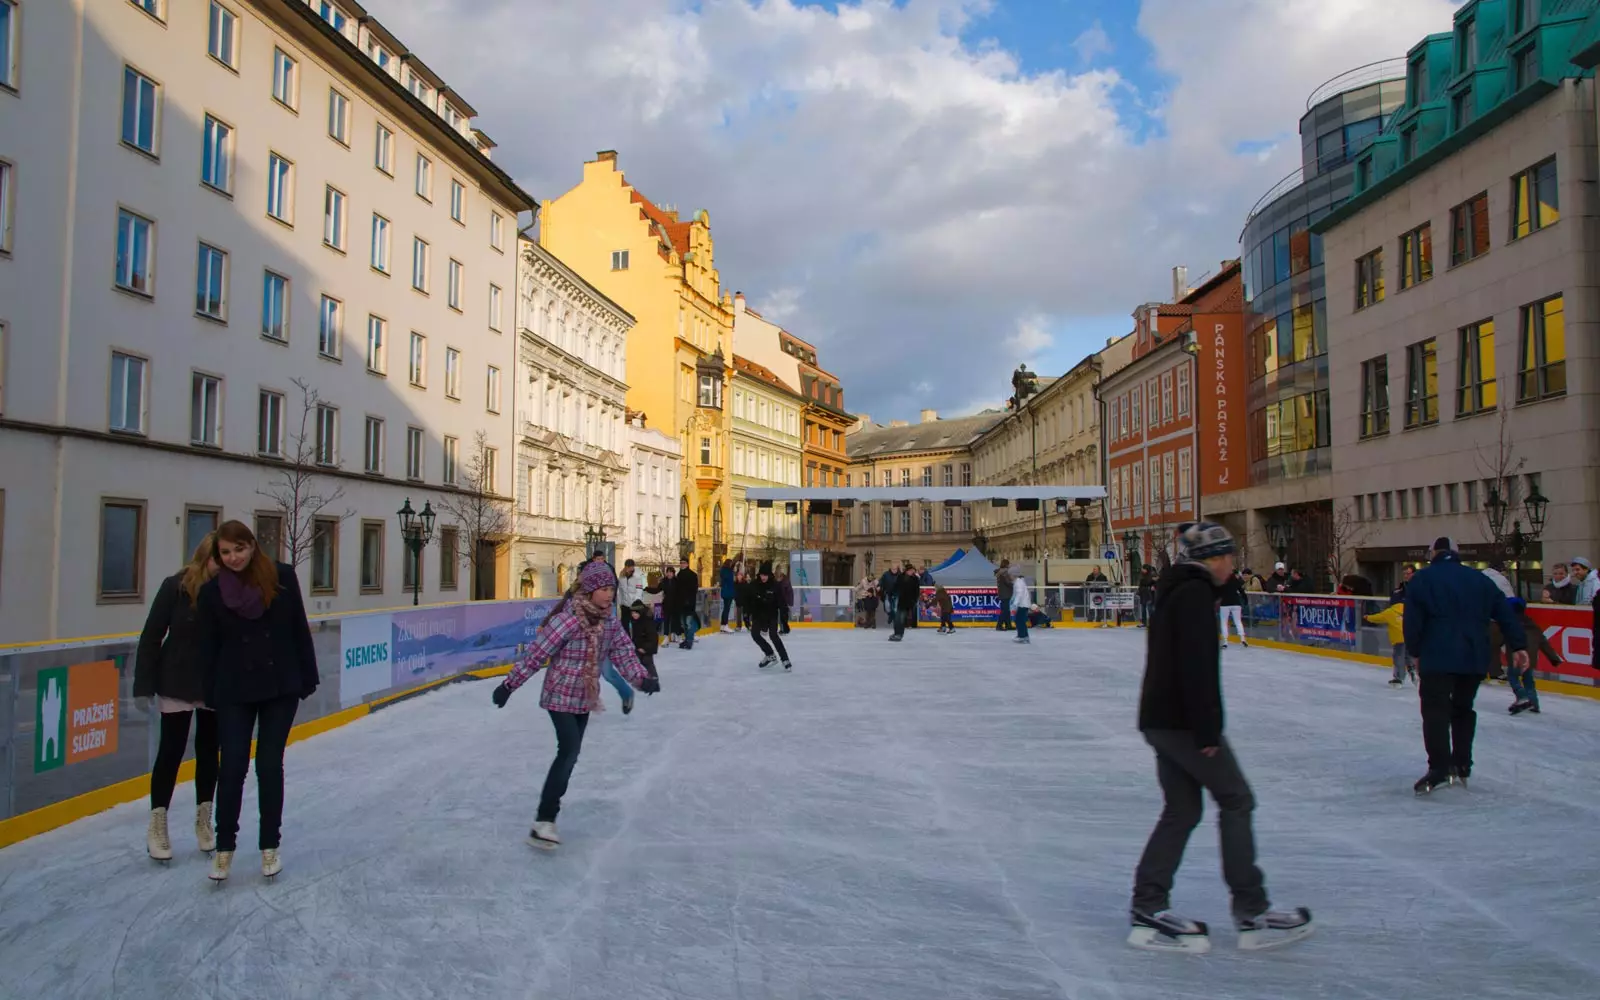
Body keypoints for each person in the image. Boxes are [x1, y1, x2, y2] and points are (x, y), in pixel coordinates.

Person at [1129, 522, 1313, 954]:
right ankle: (1252, 912)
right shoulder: (1193, 594)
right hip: (1183, 723)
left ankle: (1147, 907)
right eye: (1229, 557)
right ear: (1214, 558)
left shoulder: (1177, 589)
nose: (1234, 564)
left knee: (1182, 809)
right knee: (1236, 799)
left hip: (1162, 719)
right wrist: (1207, 728)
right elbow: (1196, 666)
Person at [491, 561, 656, 848]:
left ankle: (546, 819)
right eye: (604, 589)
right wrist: (509, 685)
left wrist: (642, 679)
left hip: (583, 697)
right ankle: (544, 821)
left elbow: (624, 653)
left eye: (611, 589)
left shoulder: (609, 622)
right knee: (568, 752)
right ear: (590, 589)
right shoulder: (567, 620)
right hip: (559, 694)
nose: (609, 595)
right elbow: (536, 654)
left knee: (571, 754)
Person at [195, 521, 319, 882]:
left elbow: (298, 627)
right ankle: (225, 848)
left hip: (280, 685)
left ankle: (269, 846)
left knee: (268, 764)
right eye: (226, 552)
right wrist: (210, 692)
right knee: (232, 766)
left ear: (252, 546)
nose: (233, 558)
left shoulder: (280, 577)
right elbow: (208, 649)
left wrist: (306, 677)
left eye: (239, 549)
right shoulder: (212, 593)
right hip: (235, 689)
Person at [1403, 536, 1527, 794]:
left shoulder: (1422, 580)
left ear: (1433, 553)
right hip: (1473, 655)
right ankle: (1461, 763)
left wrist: (1414, 651)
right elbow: (1505, 612)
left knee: (1435, 711)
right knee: (1463, 708)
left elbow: (1412, 621)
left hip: (1437, 655)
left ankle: (1439, 767)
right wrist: (1519, 645)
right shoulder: (1479, 579)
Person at [135, 533, 221, 861]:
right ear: (203, 557)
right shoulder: (175, 587)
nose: (223, 565)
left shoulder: (229, 591)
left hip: (213, 684)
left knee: (209, 751)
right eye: (218, 558)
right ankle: (158, 822)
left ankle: (204, 819)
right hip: (176, 681)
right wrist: (144, 684)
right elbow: (151, 636)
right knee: (171, 751)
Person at [1501, 597, 1558, 715]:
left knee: (1513, 677)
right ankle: (1534, 704)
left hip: (1516, 659)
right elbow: (1543, 643)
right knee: (1528, 681)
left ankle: (1522, 696)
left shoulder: (1509, 624)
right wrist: (1554, 658)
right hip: (1530, 660)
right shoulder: (1532, 624)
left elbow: (1498, 639)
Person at [743, 561, 792, 669]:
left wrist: (784, 618)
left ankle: (785, 659)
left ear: (769, 575)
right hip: (758, 614)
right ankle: (770, 654)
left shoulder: (775, 586)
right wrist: (746, 614)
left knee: (773, 635)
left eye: (765, 575)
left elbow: (782, 602)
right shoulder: (754, 585)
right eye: (761, 575)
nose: (763, 577)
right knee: (755, 634)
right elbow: (748, 601)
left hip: (771, 614)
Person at [1364, 600, 1412, 687]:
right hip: (1409, 638)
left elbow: (1378, 618)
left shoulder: (1390, 612)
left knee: (1398, 659)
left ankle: (1398, 679)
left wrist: (1368, 617)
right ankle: (1412, 671)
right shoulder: (1408, 611)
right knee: (1408, 657)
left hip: (1398, 640)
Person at [627, 601, 661, 694]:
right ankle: (644, 681)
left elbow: (653, 638)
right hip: (638, 647)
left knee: (648, 663)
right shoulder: (635, 622)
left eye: (635, 613)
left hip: (647, 648)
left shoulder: (648, 622)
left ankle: (654, 681)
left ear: (640, 612)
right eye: (632, 613)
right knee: (638, 664)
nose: (633, 615)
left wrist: (645, 648)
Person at [671, 557, 701, 649]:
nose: (682, 564)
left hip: (688, 604)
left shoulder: (692, 575)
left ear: (687, 564)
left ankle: (689, 640)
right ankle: (687, 639)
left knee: (688, 623)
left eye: (684, 563)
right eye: (681, 563)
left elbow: (694, 590)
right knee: (683, 624)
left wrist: (688, 600)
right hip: (680, 604)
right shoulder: (679, 575)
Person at [647, 566, 678, 647]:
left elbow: (680, 593)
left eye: (671, 572)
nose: (669, 574)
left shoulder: (677, 581)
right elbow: (657, 590)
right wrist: (647, 589)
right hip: (666, 604)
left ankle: (674, 635)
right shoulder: (663, 582)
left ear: (673, 573)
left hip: (675, 604)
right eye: (668, 572)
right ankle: (666, 637)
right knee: (666, 621)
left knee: (674, 620)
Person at [890, 567, 921, 642]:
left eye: (913, 570)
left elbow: (917, 591)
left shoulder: (915, 579)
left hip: (908, 602)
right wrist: (893, 594)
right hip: (899, 600)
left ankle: (900, 634)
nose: (911, 572)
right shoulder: (901, 577)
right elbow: (895, 586)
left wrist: (914, 601)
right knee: (897, 618)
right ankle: (896, 633)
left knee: (901, 618)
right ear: (907, 571)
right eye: (910, 570)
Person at [1218, 569, 1247, 650]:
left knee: (1224, 622)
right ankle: (1242, 639)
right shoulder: (1236, 580)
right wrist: (1245, 600)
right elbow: (1242, 591)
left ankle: (1225, 642)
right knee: (1238, 621)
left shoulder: (1222, 580)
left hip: (1225, 604)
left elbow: (1217, 591)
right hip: (1236, 603)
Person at [616, 560, 645, 636]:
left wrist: (636, 604)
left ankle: (636, 641)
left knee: (635, 625)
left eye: (631, 567)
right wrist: (620, 602)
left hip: (634, 605)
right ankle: (627, 640)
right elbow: (620, 590)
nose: (629, 568)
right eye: (628, 567)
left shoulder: (637, 576)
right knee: (624, 624)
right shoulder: (622, 576)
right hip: (624, 604)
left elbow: (639, 591)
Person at [1010, 573, 1033, 644]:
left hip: (1022, 604)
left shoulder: (1018, 583)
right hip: (1023, 604)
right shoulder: (1019, 582)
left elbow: (1019, 594)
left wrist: (1015, 603)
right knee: (1020, 620)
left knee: (1019, 621)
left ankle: (1022, 636)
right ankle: (1024, 636)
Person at [718, 559, 739, 632]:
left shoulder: (726, 570)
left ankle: (723, 625)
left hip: (727, 592)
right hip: (728, 592)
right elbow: (728, 580)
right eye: (731, 564)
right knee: (726, 609)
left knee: (726, 609)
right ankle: (725, 624)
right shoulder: (727, 571)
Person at [994, 560, 1015, 631]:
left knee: (1006, 610)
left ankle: (1008, 624)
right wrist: (1015, 584)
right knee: (1004, 610)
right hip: (1005, 594)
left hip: (1003, 593)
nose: (1009, 565)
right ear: (1006, 564)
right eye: (1008, 564)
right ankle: (999, 625)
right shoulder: (1005, 572)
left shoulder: (1000, 572)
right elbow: (1008, 582)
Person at [776, 567, 794, 633]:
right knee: (779, 617)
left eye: (779, 570)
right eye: (777, 570)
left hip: (784, 602)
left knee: (783, 616)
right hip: (777, 601)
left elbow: (790, 592)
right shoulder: (775, 580)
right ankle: (783, 629)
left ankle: (784, 629)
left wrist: (790, 603)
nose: (778, 572)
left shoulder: (786, 580)